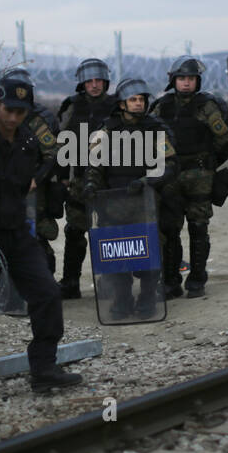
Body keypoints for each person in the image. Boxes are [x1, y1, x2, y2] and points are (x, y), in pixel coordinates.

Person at [0, 75, 83, 399]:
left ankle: (44, 370)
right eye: (8, 110)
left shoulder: (27, 141)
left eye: (20, 112)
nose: (12, 118)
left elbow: (34, 175)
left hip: (16, 232)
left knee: (47, 292)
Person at [82, 77, 178, 319]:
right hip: (111, 202)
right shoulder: (107, 129)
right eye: (133, 100)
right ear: (122, 104)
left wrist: (148, 181)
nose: (138, 104)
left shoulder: (155, 128)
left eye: (141, 99)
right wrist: (92, 184)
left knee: (147, 251)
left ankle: (147, 298)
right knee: (115, 253)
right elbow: (94, 164)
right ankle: (122, 300)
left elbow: (169, 164)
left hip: (143, 199)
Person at [150, 56, 228, 298]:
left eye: (190, 79)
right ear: (173, 81)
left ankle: (197, 278)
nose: (186, 83)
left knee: (198, 226)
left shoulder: (207, 106)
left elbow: (224, 141)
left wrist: (208, 166)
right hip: (170, 175)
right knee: (169, 227)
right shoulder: (161, 106)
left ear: (197, 81)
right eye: (181, 79)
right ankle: (171, 280)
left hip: (199, 174)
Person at [56, 58, 120, 298]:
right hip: (80, 177)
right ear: (82, 84)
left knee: (108, 232)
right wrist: (63, 177)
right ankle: (70, 282)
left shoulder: (116, 105)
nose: (94, 85)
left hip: (109, 178)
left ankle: (112, 281)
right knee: (75, 231)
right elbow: (62, 142)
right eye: (89, 81)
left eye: (98, 81)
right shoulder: (71, 106)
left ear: (105, 82)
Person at [0, 66, 63, 274]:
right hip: (5, 188)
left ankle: (44, 282)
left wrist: (36, 179)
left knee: (36, 236)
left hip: (33, 190)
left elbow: (52, 154)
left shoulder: (37, 121)